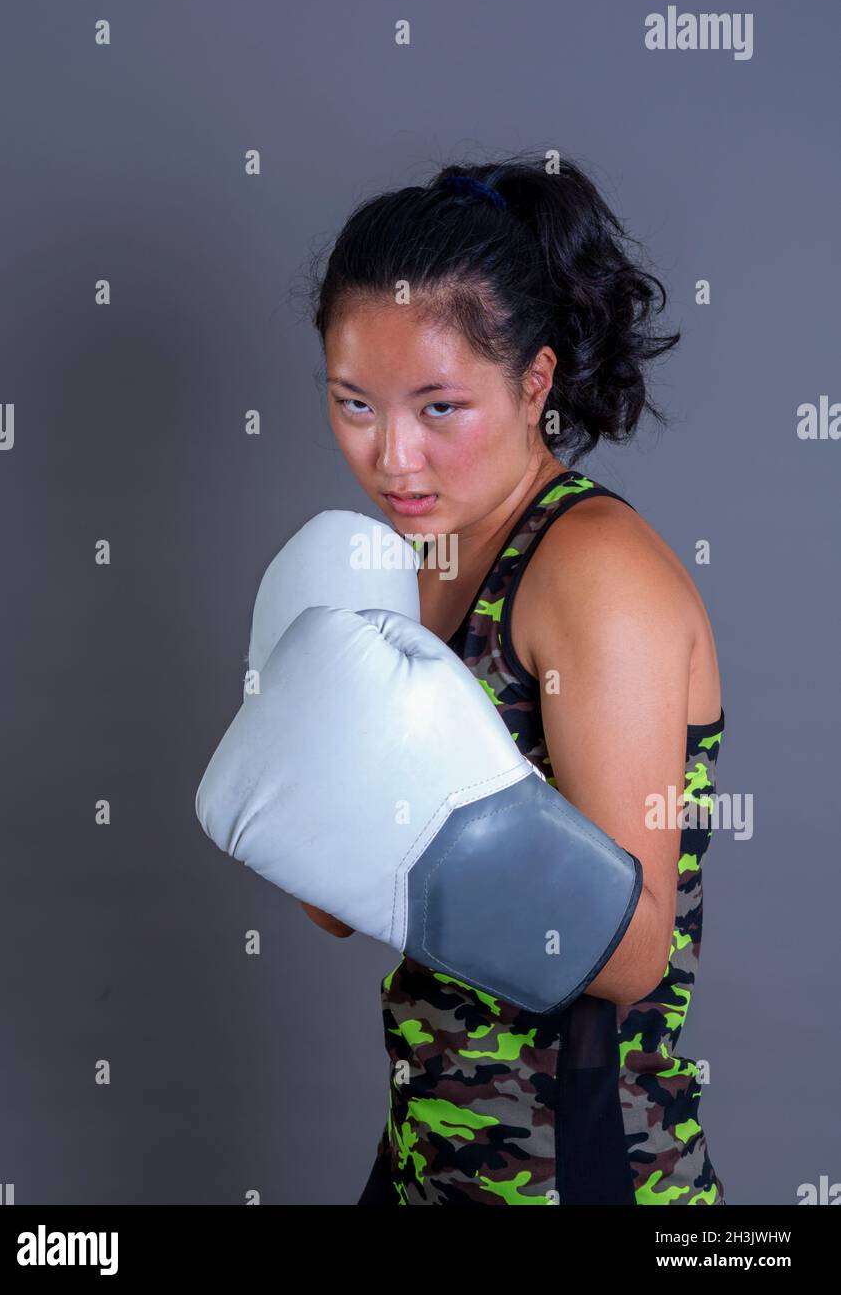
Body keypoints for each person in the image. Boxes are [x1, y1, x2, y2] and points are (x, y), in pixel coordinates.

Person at [303, 152, 726, 1206]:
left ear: (533, 381)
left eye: (438, 408)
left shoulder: (591, 572)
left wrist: (406, 806)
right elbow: (336, 907)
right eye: (354, 403)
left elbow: (628, 952)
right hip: (426, 1151)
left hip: (574, 1164)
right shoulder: (424, 560)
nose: (393, 458)